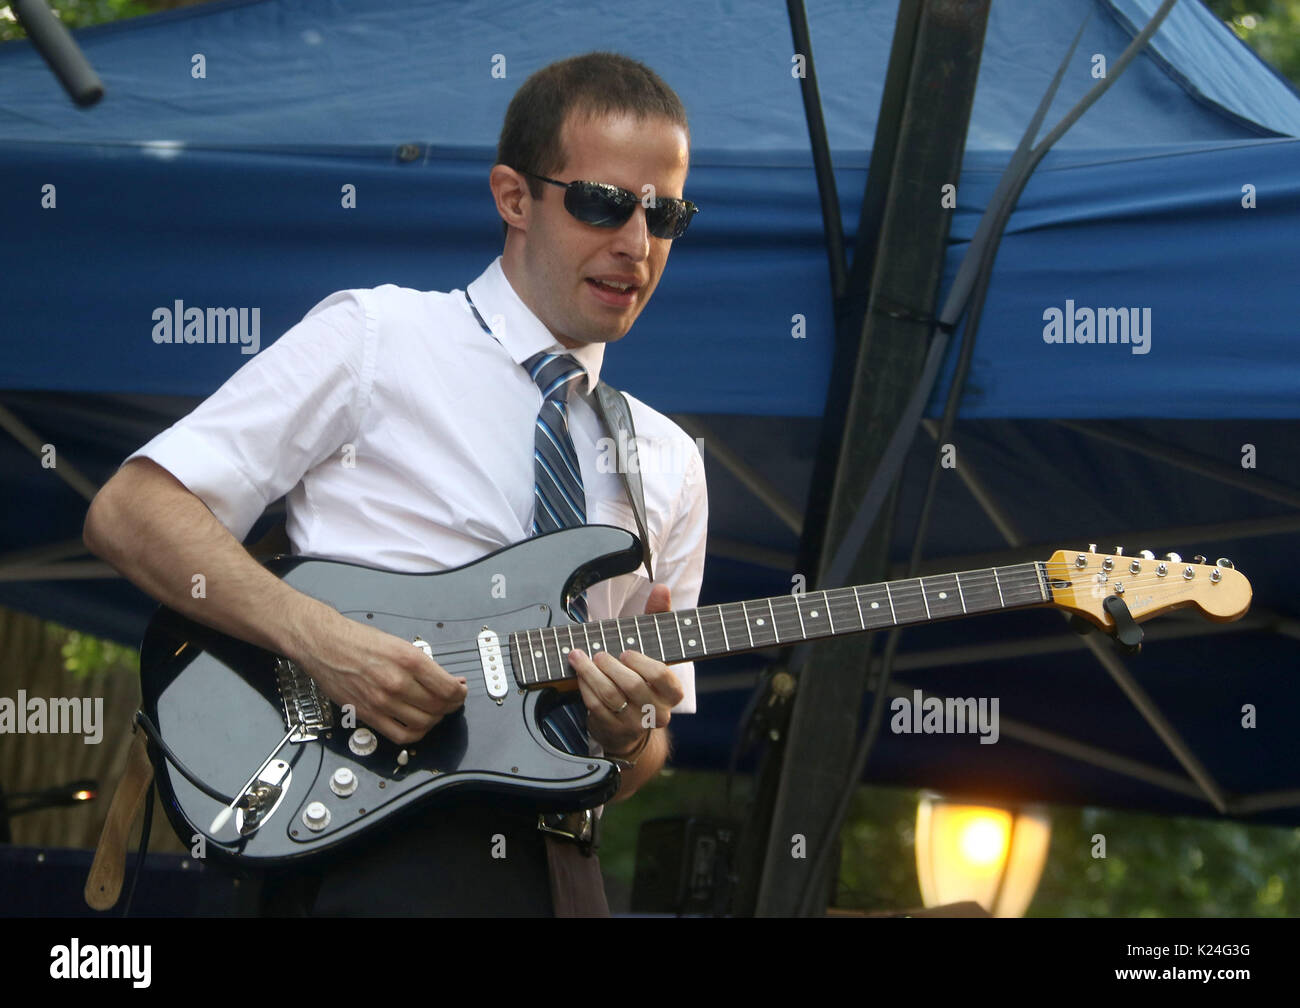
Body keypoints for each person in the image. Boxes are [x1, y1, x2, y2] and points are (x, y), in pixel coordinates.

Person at [82, 51, 708, 916]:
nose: (636, 244)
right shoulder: (377, 337)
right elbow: (132, 512)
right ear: (514, 197)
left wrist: (626, 728)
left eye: (664, 214)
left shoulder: (669, 461)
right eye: (603, 203)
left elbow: (640, 758)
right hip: (368, 849)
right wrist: (322, 642)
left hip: (566, 869)